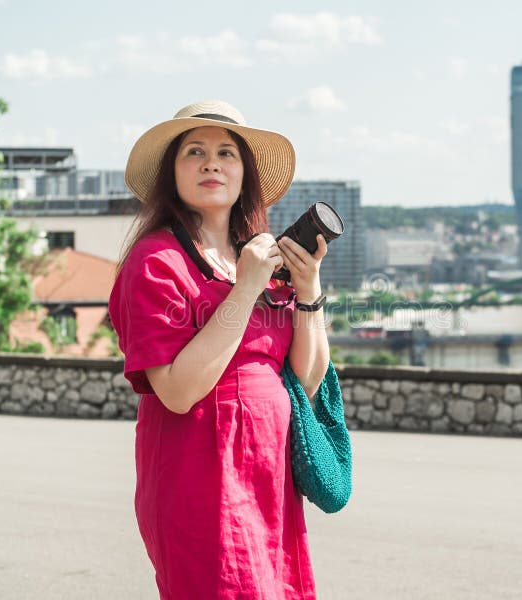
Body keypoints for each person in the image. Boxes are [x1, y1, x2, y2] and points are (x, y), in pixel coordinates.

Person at [109, 100, 330, 599]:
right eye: (195, 151)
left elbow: (309, 378)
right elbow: (179, 391)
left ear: (243, 174)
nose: (213, 163)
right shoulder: (156, 261)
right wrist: (245, 289)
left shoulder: (257, 258)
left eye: (227, 152)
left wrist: (309, 289)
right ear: (173, 174)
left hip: (268, 481)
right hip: (200, 483)